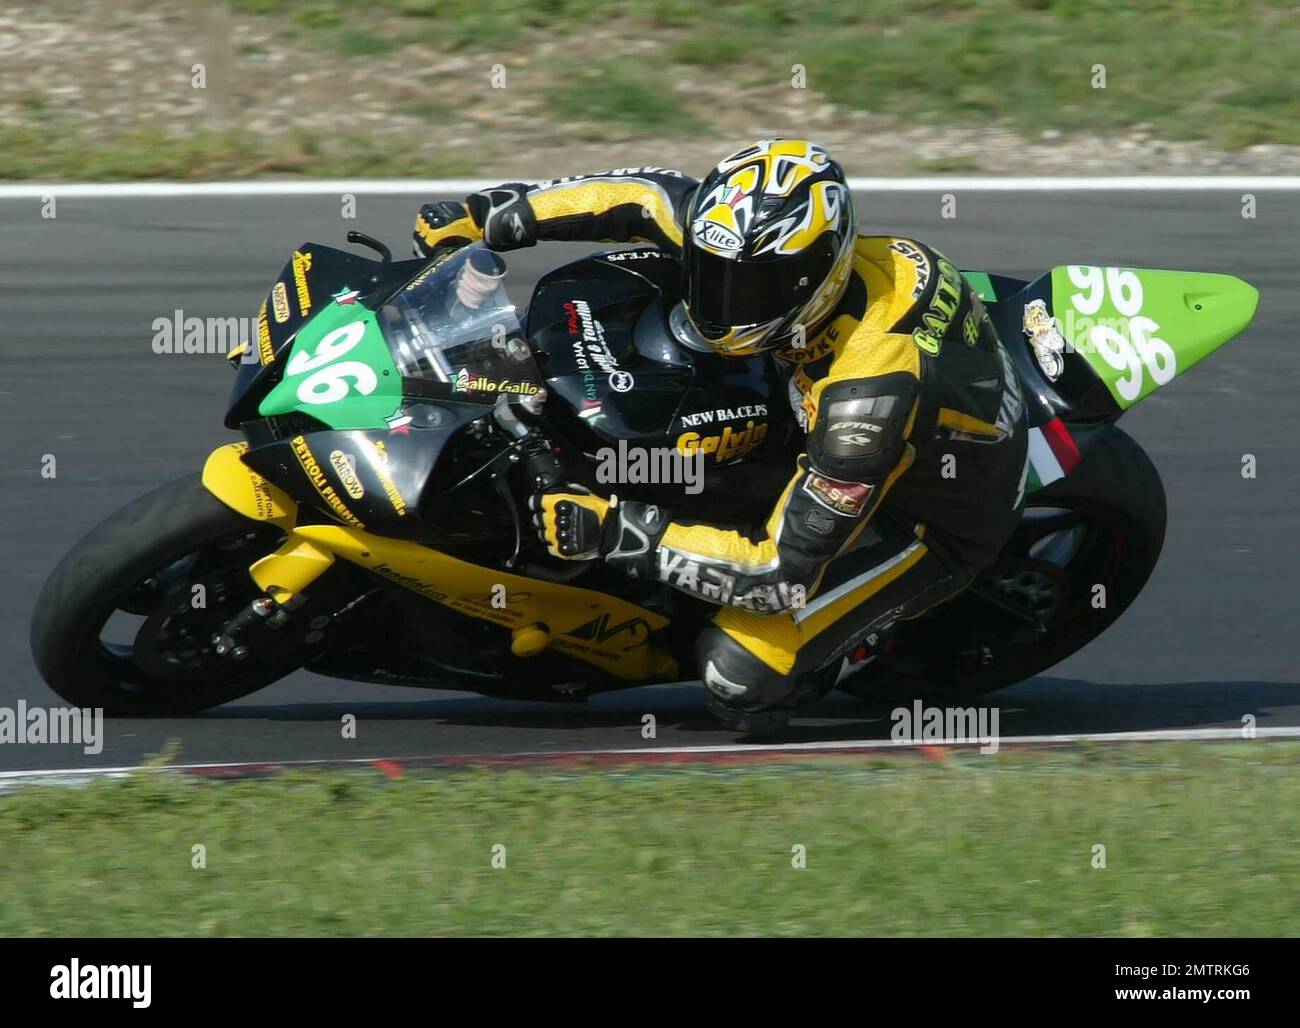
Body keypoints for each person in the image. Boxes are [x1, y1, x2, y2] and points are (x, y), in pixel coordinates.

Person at [413, 140, 1028, 734]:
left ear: (816, 278)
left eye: (748, 290)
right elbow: (641, 197)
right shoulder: (753, 244)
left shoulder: (865, 402)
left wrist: (619, 532)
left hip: (924, 514)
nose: (720, 302)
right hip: (837, 415)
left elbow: (779, 572)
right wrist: (493, 214)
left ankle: (843, 650)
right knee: (655, 457)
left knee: (738, 675)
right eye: (709, 274)